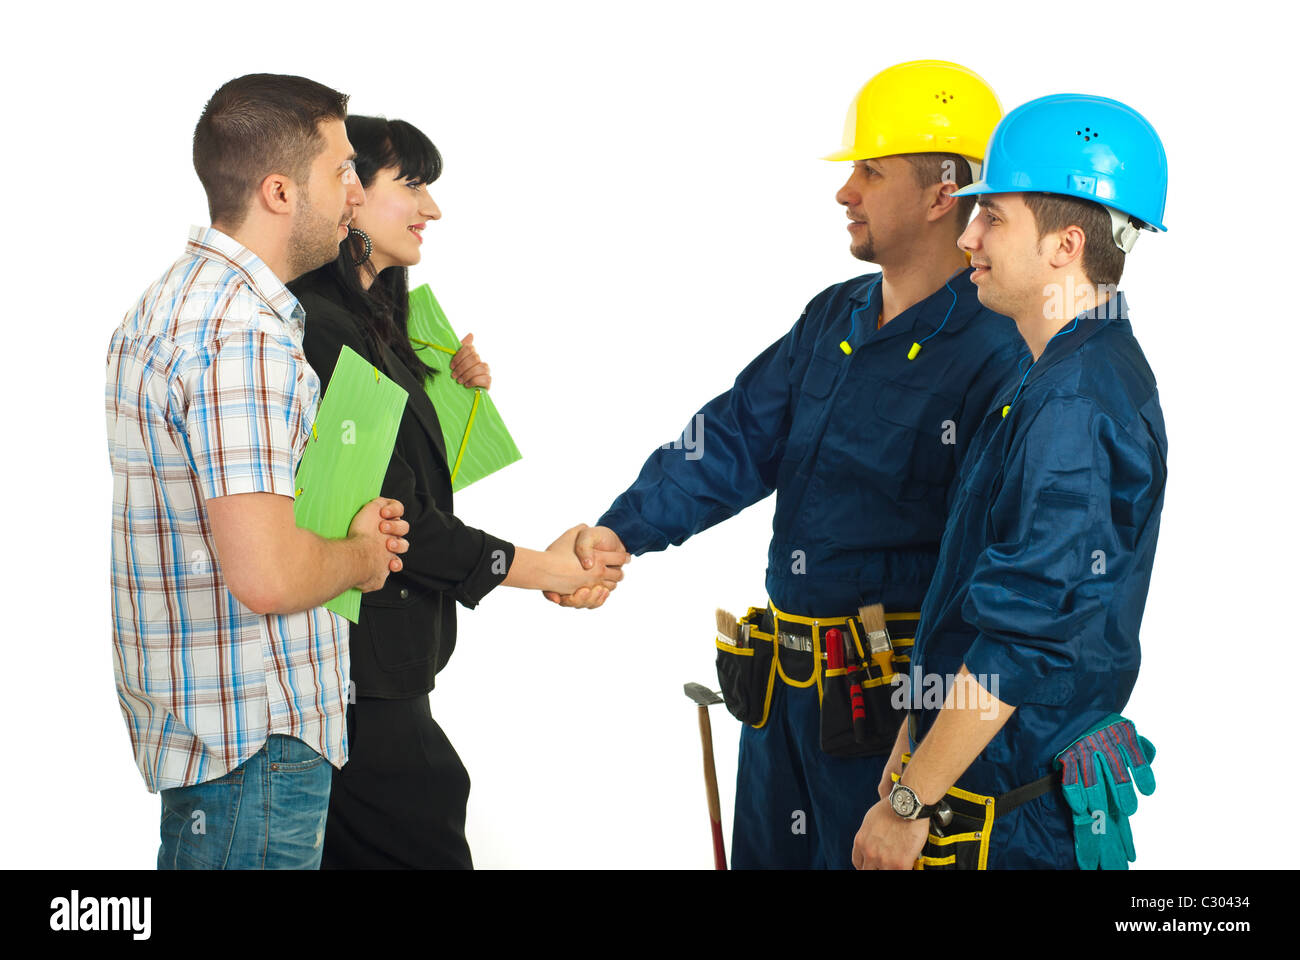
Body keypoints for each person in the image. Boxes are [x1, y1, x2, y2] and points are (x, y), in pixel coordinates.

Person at [546, 61, 1025, 868]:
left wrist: (924, 774)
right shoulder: (833, 317)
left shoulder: (998, 350)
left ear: (945, 193)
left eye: (870, 172)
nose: (847, 193)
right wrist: (620, 531)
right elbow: (733, 438)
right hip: (782, 700)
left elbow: (998, 571)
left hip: (888, 711)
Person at [289, 114, 628, 869]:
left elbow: (398, 473)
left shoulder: (374, 323)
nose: (432, 209)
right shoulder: (323, 328)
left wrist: (440, 382)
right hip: (357, 683)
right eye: (410, 184)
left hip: (375, 673)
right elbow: (401, 522)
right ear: (348, 193)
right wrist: (549, 567)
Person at [851, 94, 1169, 870]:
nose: (967, 239)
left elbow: (1018, 640)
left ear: (1065, 244)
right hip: (981, 794)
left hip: (1010, 829)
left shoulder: (1075, 402)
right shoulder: (1048, 379)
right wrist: (907, 760)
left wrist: (906, 803)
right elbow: (974, 599)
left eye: (991, 217)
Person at [105, 74, 412, 869]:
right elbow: (269, 576)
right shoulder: (244, 336)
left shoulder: (166, 306)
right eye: (342, 170)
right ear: (280, 191)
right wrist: (362, 557)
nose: (355, 193)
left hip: (217, 746)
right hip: (258, 749)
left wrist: (340, 523)